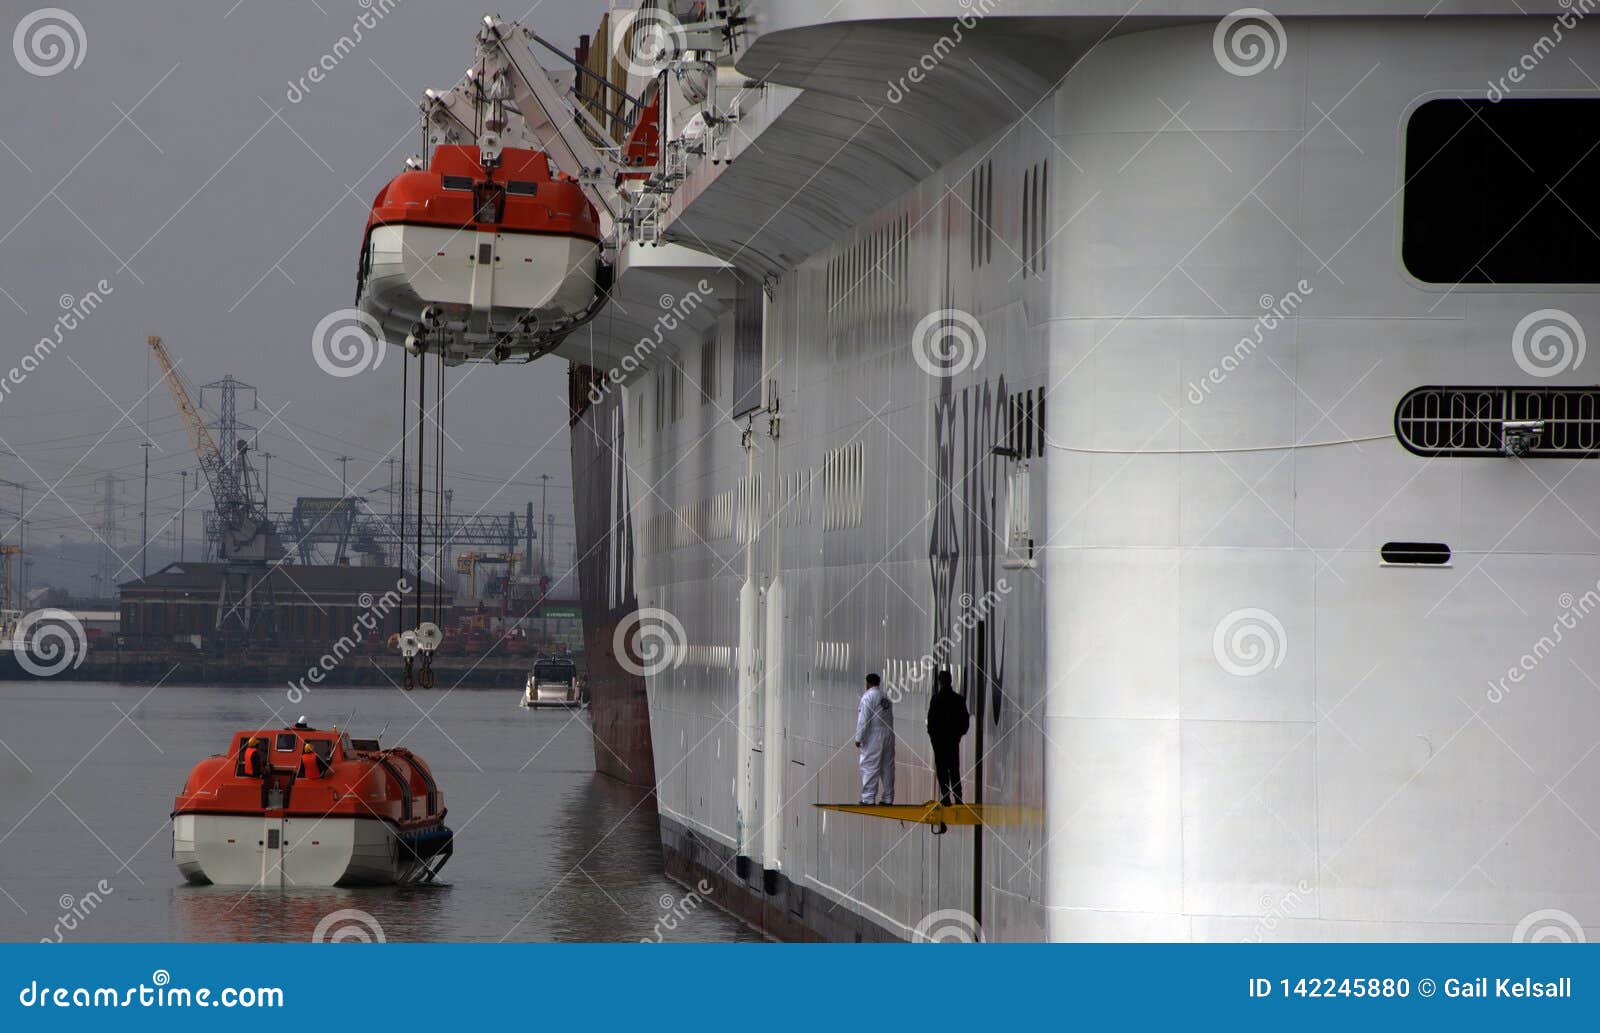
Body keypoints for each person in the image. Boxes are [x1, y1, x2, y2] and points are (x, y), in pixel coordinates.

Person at [926, 670, 970, 806]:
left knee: (942, 769)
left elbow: (931, 722)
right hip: (953, 740)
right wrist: (958, 736)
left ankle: (946, 796)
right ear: (951, 681)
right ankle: (958, 797)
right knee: (954, 768)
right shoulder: (958, 699)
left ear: (939, 682)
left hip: (939, 741)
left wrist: (934, 740)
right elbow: (965, 721)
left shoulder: (936, 699)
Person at [854, 673, 895, 804]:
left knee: (870, 766)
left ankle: (868, 798)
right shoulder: (885, 697)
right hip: (888, 734)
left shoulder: (868, 696)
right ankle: (888, 798)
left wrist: (859, 737)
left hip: (874, 736)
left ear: (867, 683)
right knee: (887, 767)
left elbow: (863, 719)